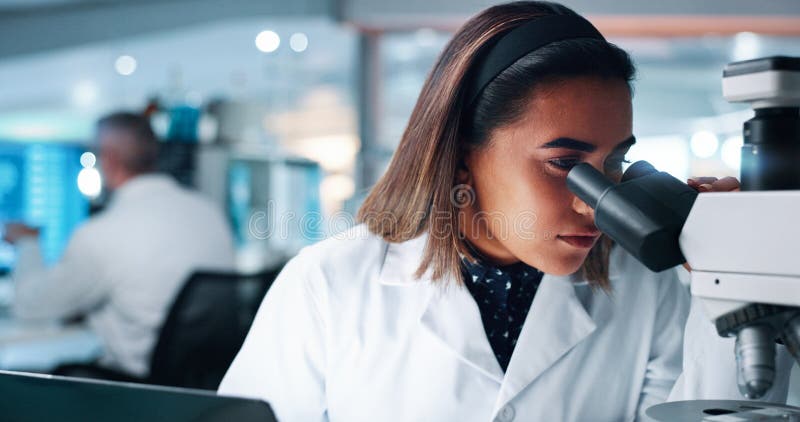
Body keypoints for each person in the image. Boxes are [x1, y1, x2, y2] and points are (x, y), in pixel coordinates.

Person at [218, 2, 793, 421]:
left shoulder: (651, 289)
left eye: (615, 164)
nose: (595, 199)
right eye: (565, 163)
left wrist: (733, 287)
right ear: (464, 156)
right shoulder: (328, 285)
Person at [4, 112, 235, 378]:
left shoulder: (102, 234)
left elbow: (30, 305)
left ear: (109, 159)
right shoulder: (209, 213)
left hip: (132, 390)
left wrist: (28, 242)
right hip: (198, 390)